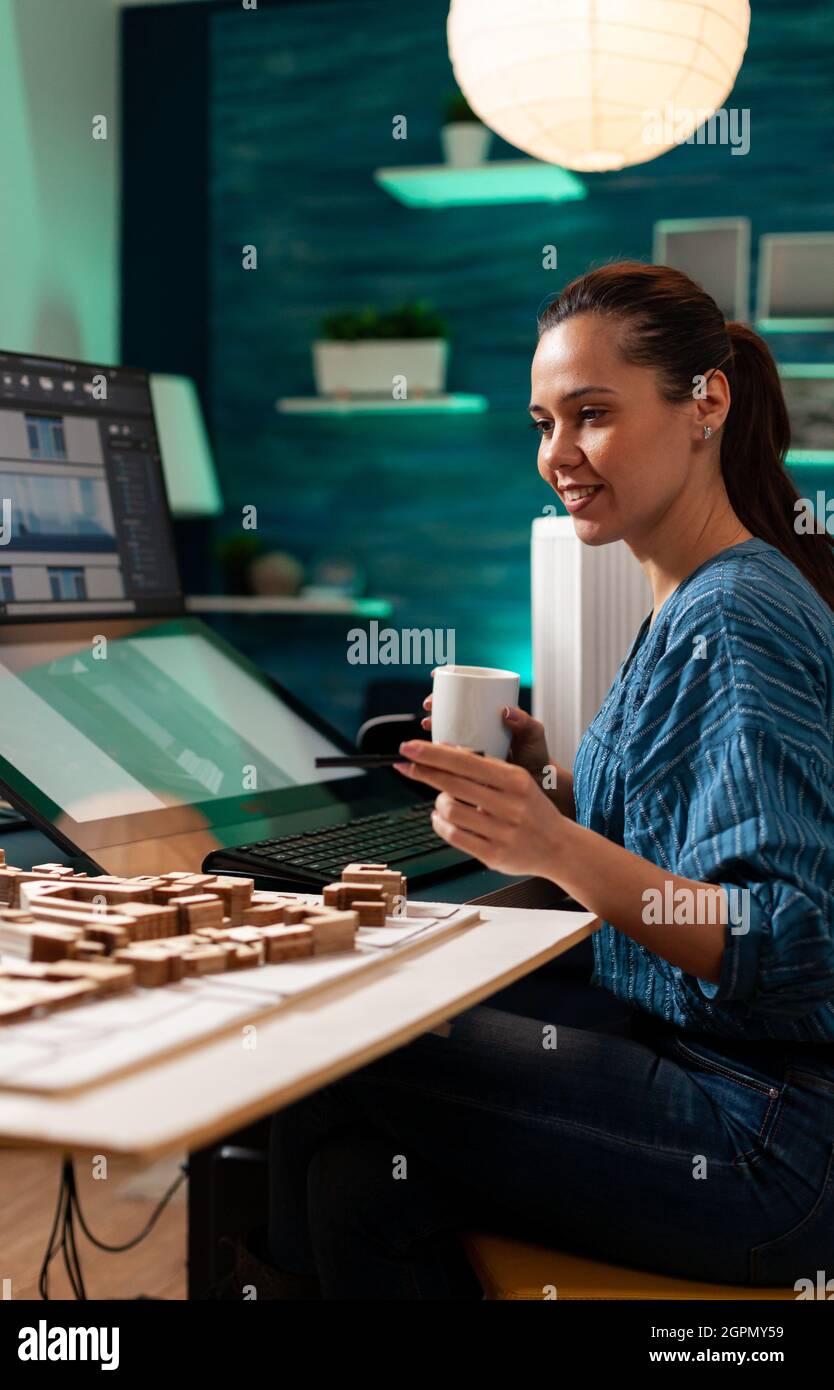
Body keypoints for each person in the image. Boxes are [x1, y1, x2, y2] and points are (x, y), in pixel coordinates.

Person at [236, 262, 834, 1299]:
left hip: (765, 1138)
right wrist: (543, 786)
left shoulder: (730, 617)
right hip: (718, 1078)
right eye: (540, 423)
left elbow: (784, 938)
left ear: (706, 403)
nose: (557, 455)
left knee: (327, 1042)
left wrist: (551, 845)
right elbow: (679, 846)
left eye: (591, 414)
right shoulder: (697, 600)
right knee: (355, 1185)